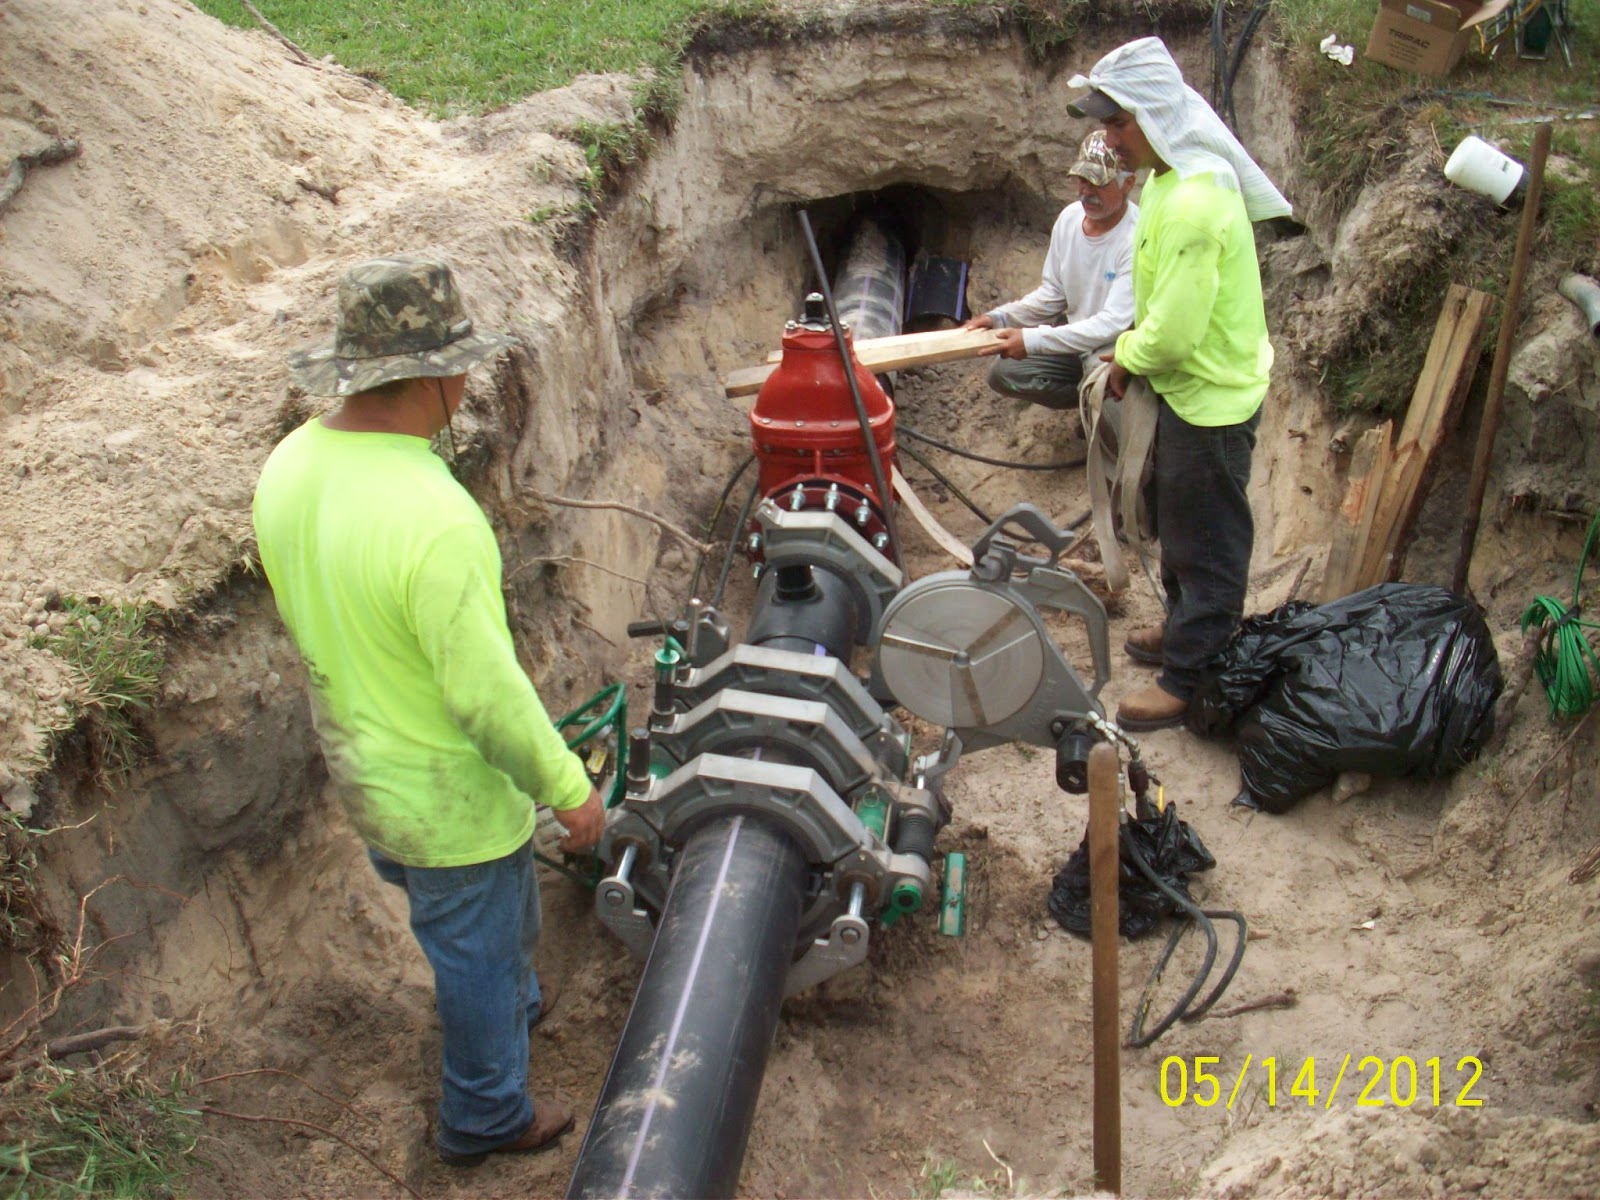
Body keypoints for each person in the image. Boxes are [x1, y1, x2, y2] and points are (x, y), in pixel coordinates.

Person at [252, 255, 605, 1166]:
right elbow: (487, 700)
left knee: (475, 929)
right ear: (440, 376)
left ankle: (516, 1002)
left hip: (363, 767)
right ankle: (485, 1115)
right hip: (447, 801)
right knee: (475, 956)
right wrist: (570, 791)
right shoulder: (433, 517)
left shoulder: (289, 467)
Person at [1064, 38, 1292, 731]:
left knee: (1208, 534)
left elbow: (1177, 333)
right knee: (1175, 515)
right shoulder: (1165, 180)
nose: (1108, 138)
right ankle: (1186, 625)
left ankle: (1195, 673)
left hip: (1211, 392)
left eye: (1117, 123)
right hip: (1186, 386)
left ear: (1156, 117)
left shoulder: (1195, 202)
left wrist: (1126, 358)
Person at [964, 130, 1138, 410]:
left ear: (1128, 183)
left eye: (1098, 182)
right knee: (1005, 375)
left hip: (1114, 345)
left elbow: (1111, 324)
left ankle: (1103, 412)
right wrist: (1001, 318)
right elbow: (1054, 293)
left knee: (1103, 382)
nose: (1086, 191)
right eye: (1082, 180)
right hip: (1076, 335)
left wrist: (1033, 340)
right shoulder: (1070, 219)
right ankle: (1087, 404)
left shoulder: (1135, 238)